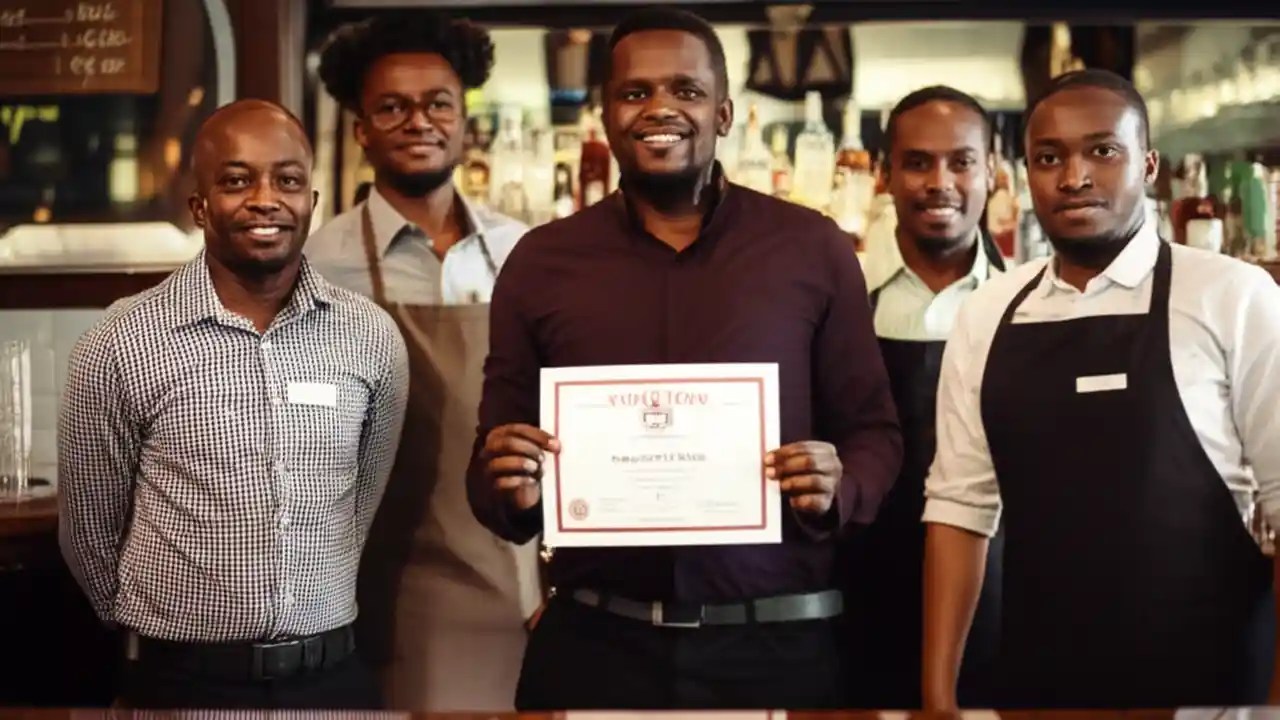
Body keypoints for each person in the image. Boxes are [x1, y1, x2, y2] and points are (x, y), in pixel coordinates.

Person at [467, 7, 902, 711]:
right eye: (635, 93)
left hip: (777, 648)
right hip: (596, 645)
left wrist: (839, 484)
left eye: (686, 91)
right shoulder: (541, 262)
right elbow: (491, 466)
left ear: (725, 113)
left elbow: (875, 434)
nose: (659, 108)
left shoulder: (811, 248)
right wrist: (508, 482)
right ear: (605, 116)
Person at [922, 68, 1280, 711]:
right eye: (1049, 157)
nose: (1075, 176)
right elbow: (959, 509)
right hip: (1040, 687)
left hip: (1211, 692)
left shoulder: (1233, 295)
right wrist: (937, 698)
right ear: (1025, 175)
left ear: (1148, 164)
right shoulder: (989, 311)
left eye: (1102, 151)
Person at [56, 99, 409, 710]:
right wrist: (165, 636)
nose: (266, 199)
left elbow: (362, 503)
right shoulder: (120, 341)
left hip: (330, 684)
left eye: (288, 180)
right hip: (181, 687)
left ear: (313, 204)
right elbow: (89, 531)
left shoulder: (371, 337)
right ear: (199, 206)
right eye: (237, 180)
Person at [306, 10, 539, 713]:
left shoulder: (527, 252)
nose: (419, 121)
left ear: (464, 122)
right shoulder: (318, 262)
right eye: (392, 107)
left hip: (516, 583)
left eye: (438, 103)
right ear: (362, 131)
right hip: (381, 583)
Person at [841, 85, 1004, 710]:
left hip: (992, 591)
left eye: (962, 162)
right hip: (853, 590)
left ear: (992, 171)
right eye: (918, 162)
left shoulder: (1029, 303)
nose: (941, 181)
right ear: (884, 175)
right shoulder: (839, 297)